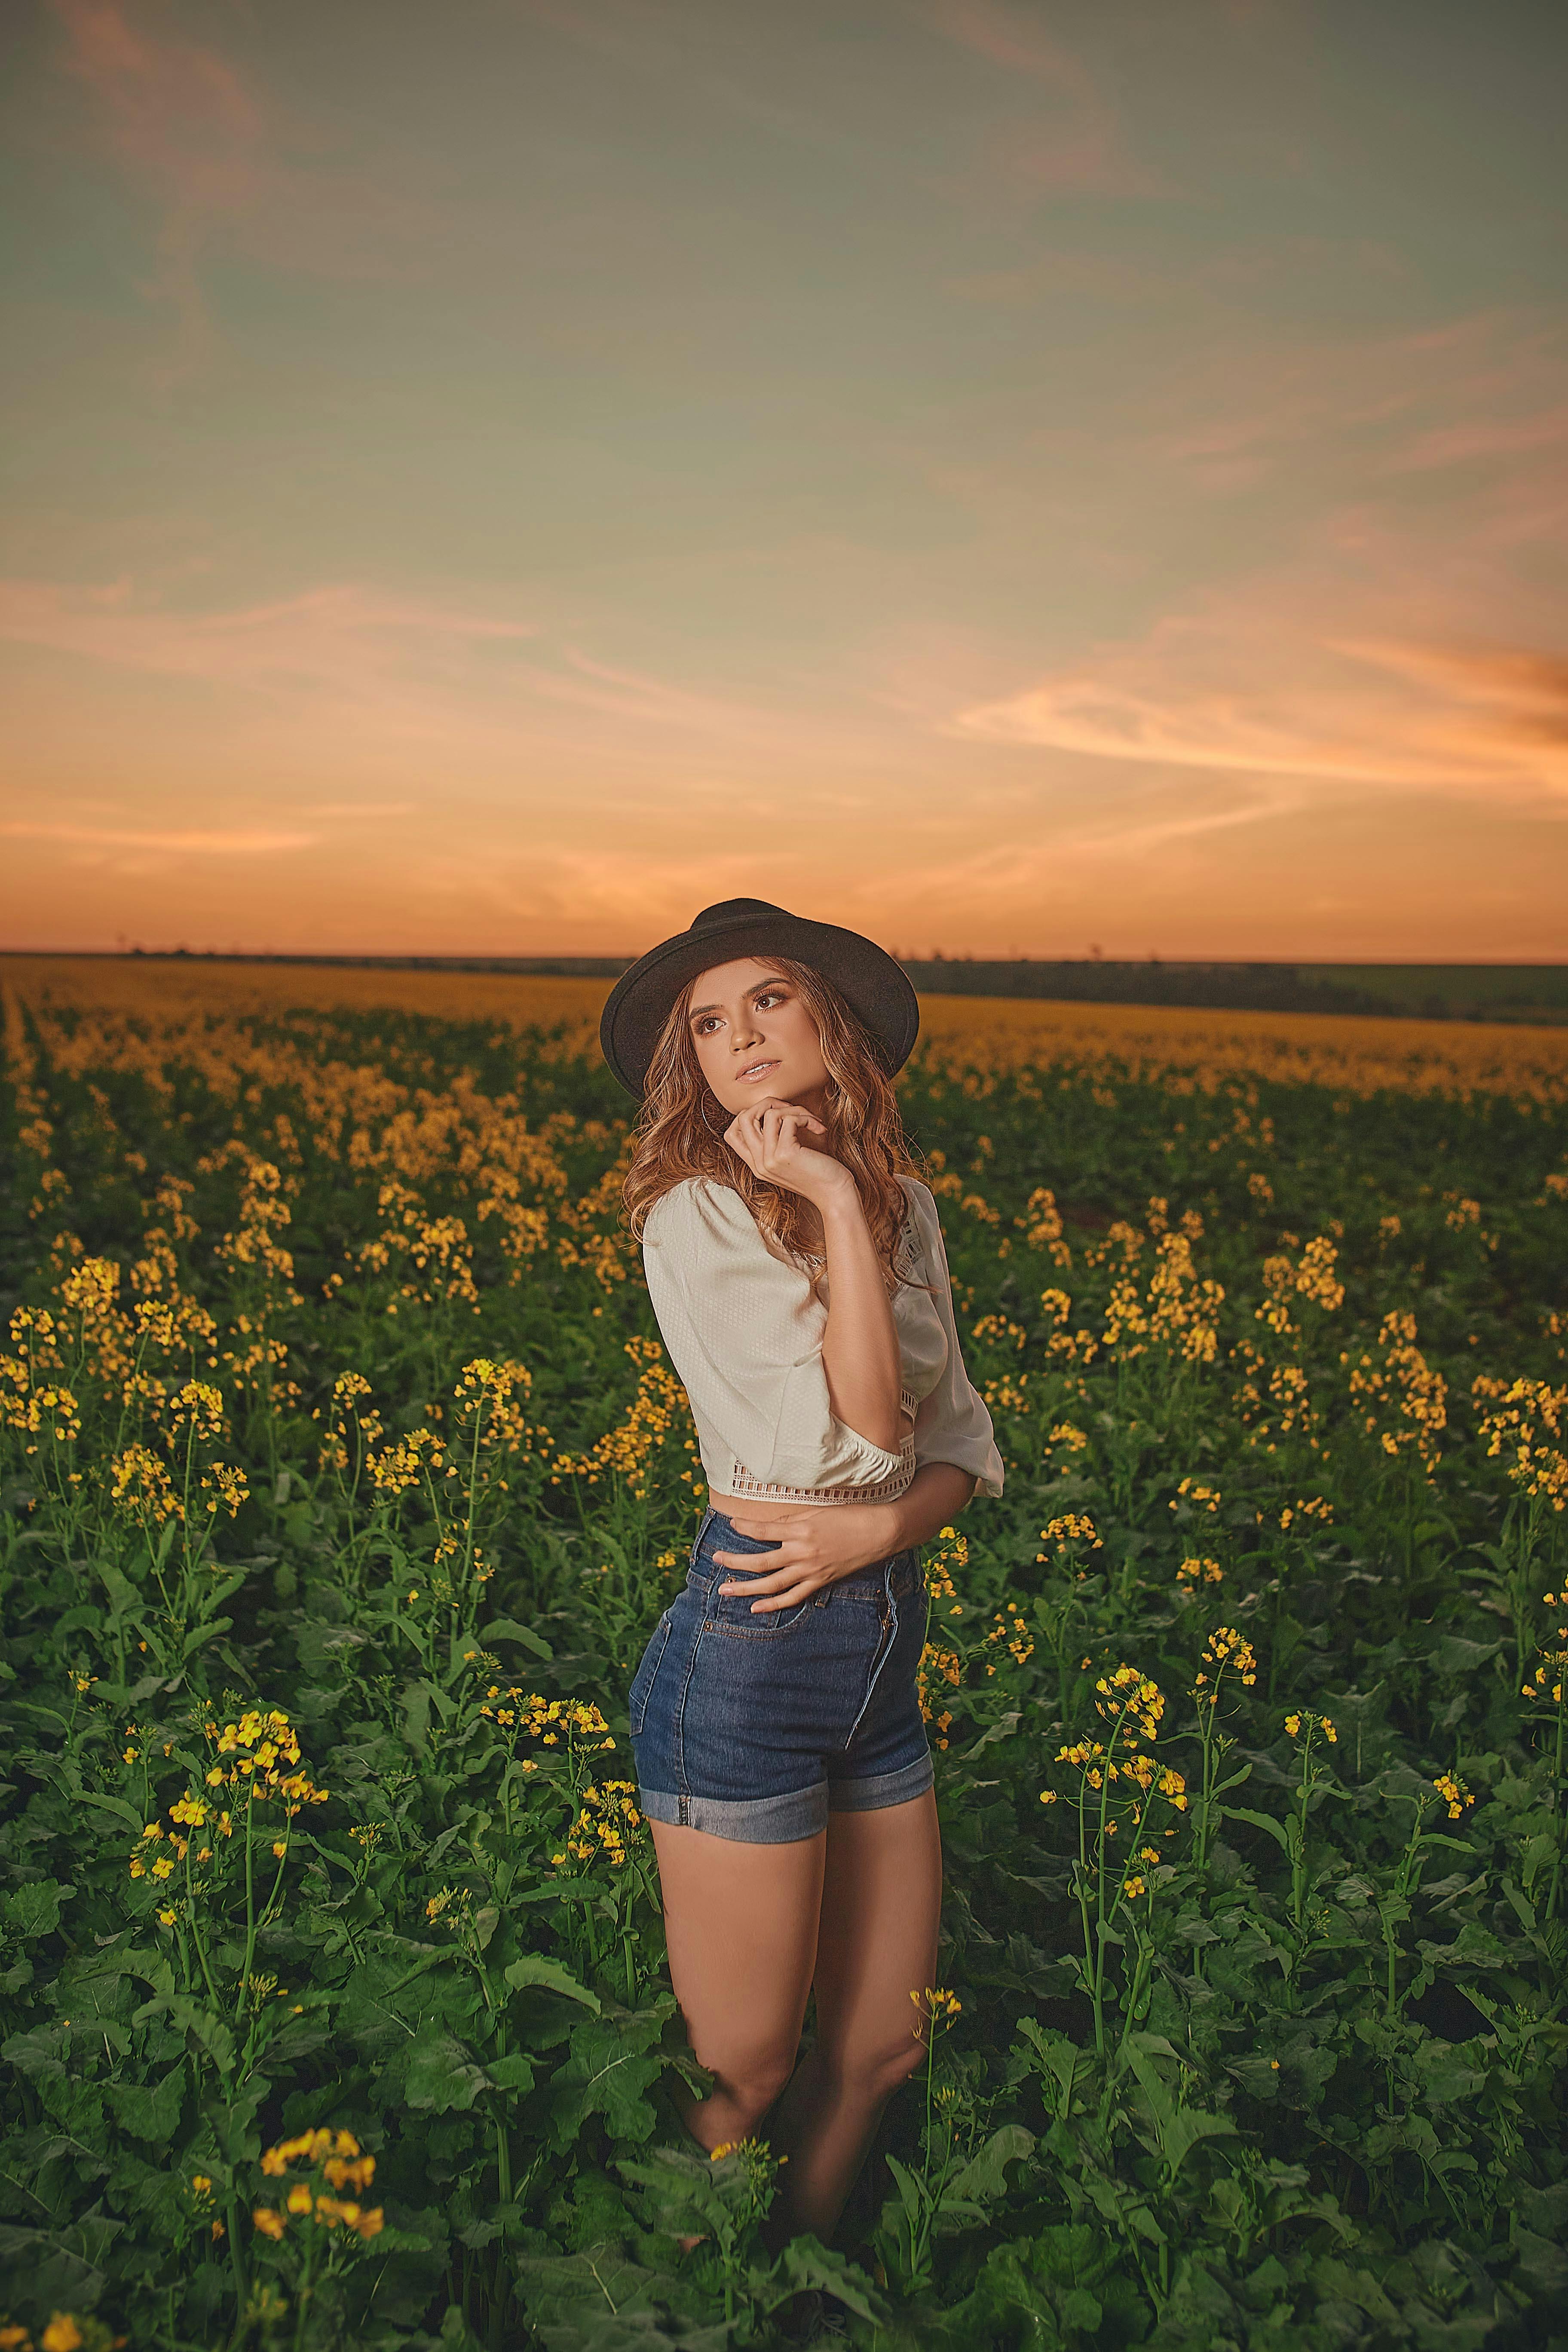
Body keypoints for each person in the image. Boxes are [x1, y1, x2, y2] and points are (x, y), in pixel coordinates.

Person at [600, 898, 1004, 2254]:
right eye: (709, 1025)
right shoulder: (698, 1217)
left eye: (767, 1000)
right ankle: (682, 2308)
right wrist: (831, 1200)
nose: (739, 1039)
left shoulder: (914, 1212)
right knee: (745, 2073)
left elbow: (955, 1455)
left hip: (880, 1654)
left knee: (882, 2053)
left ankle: (801, 2284)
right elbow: (864, 1438)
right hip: (754, 1658)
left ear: (834, 1019)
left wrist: (885, 1538)